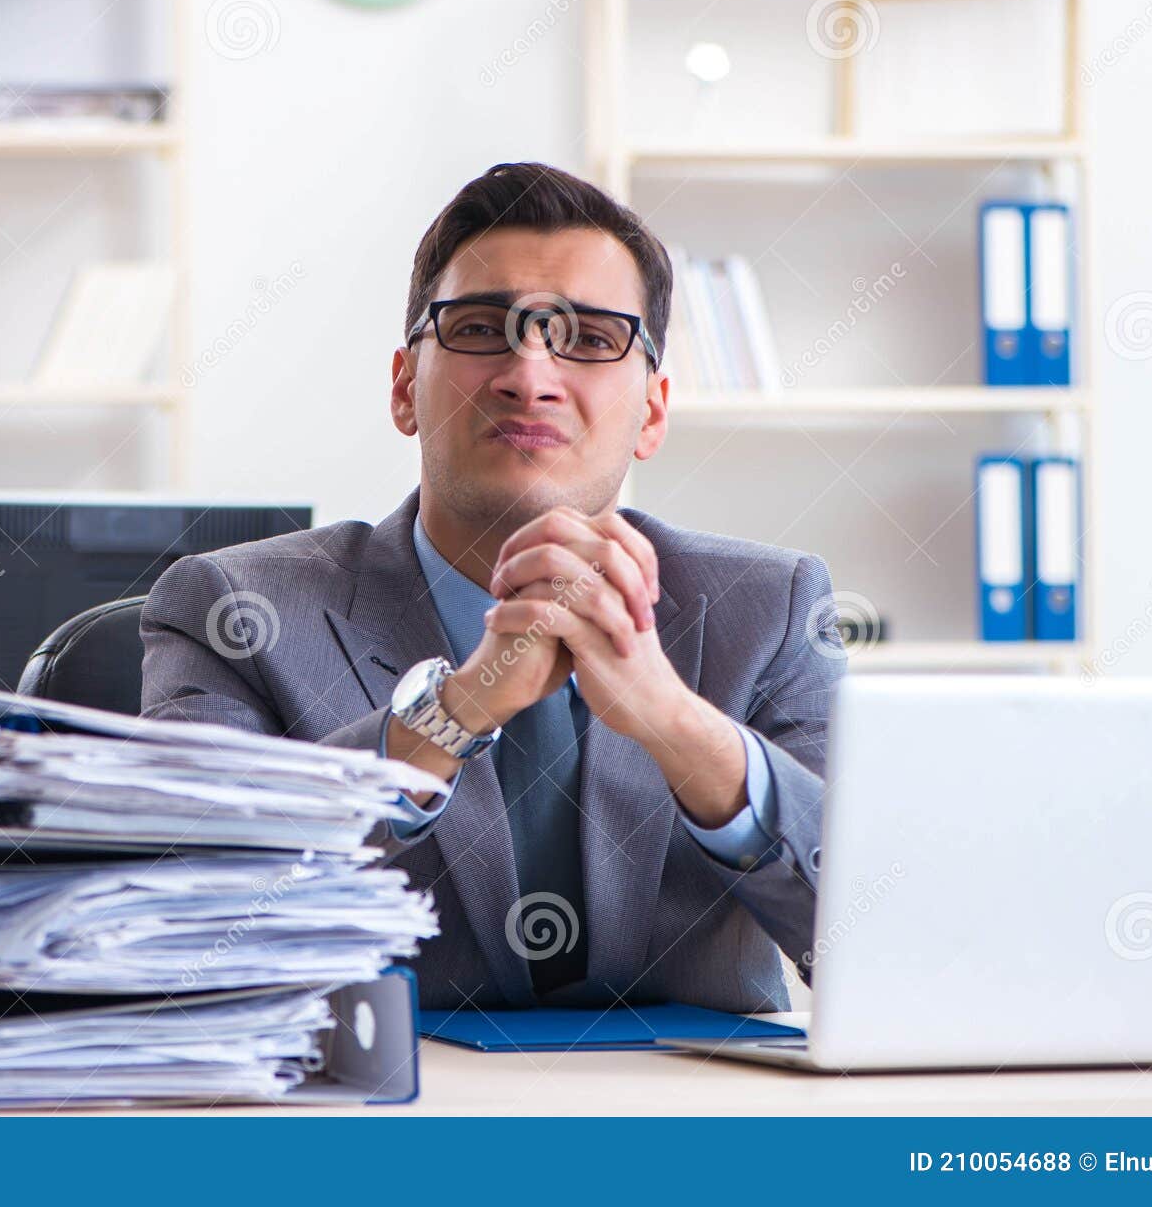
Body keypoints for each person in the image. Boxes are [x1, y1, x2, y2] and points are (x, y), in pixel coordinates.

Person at [140, 162, 843, 1011]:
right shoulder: (229, 610)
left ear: (653, 411)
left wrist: (673, 721)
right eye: (480, 328)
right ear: (405, 388)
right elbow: (183, 927)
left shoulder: (771, 611)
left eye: (587, 338)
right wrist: (455, 710)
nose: (529, 374)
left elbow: (889, 937)